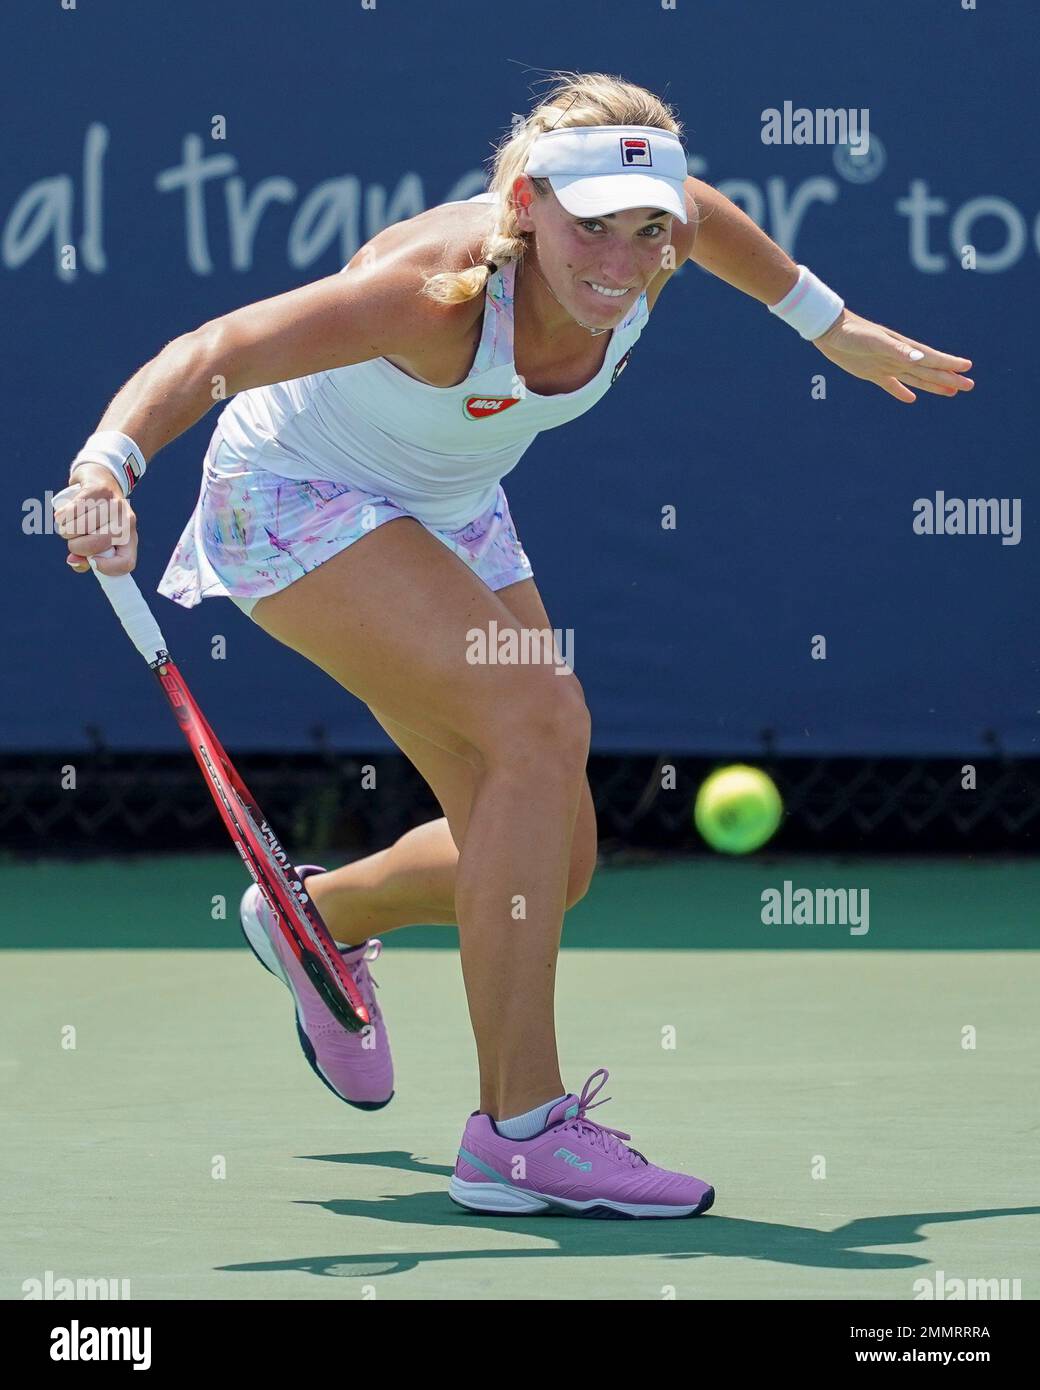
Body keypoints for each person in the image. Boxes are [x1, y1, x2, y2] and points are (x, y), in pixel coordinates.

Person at [55, 72, 973, 1219]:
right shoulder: (432, 299)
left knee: (555, 860)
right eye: (592, 227)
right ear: (528, 203)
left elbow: (716, 222)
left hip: (451, 498)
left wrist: (829, 326)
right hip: (295, 495)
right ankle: (520, 1132)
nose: (621, 262)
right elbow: (213, 349)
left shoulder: (657, 239)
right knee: (540, 722)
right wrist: (106, 468)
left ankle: (319, 917)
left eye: (647, 231)